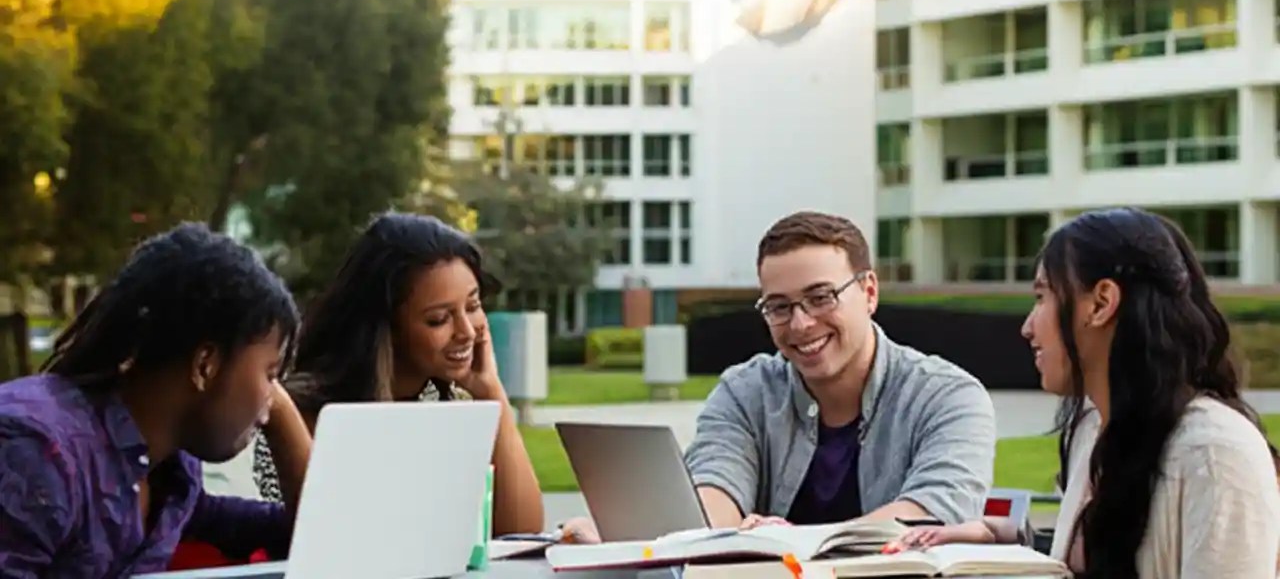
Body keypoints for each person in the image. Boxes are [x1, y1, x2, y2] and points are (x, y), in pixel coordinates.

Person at [888, 208, 1280, 578]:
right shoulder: (1094, 428)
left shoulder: (1214, 454)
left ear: (1101, 303)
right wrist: (1003, 537)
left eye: (1042, 297)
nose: (1027, 327)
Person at [560, 211, 996, 542]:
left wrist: (791, 542)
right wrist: (639, 535)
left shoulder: (948, 397)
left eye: (820, 297)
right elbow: (715, 489)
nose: (801, 324)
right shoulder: (745, 391)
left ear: (869, 293)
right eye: (779, 306)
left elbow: (931, 515)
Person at [0, 223, 312, 577]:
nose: (273, 397)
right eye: (271, 375)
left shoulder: (170, 477)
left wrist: (282, 418)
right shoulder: (35, 452)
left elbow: (316, 532)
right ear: (205, 365)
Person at [251, 212, 544, 535]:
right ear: (386, 328)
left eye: (472, 307)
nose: (466, 331)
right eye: (438, 319)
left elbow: (522, 531)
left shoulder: (452, 403)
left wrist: (492, 393)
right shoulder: (306, 413)